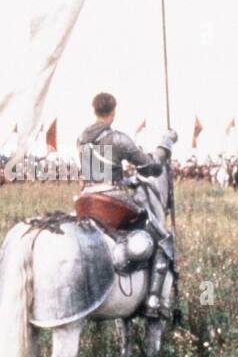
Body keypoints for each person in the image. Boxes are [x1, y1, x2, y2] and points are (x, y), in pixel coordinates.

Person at [76, 92, 178, 319]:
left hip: (86, 200)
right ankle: (153, 300)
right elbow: (152, 167)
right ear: (113, 112)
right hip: (111, 200)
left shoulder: (81, 138)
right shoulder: (119, 139)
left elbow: (98, 171)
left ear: (94, 109)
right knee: (162, 238)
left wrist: (124, 179)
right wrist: (166, 142)